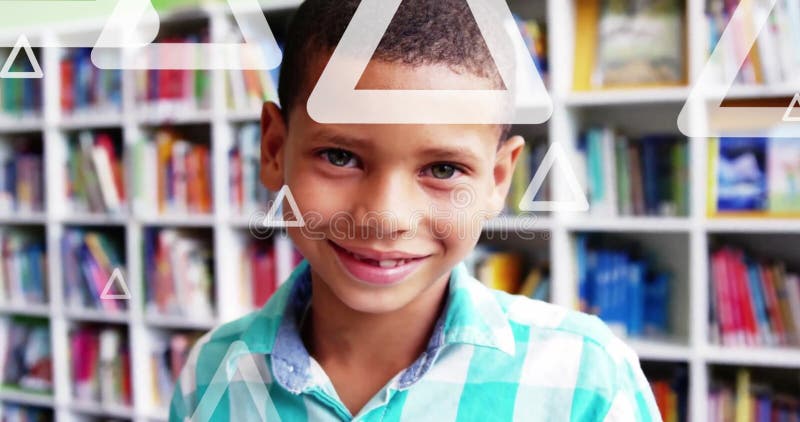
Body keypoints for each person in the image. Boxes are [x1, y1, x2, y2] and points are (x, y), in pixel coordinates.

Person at [170, 0, 661, 420]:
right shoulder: (212, 371)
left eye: (443, 170)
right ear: (274, 149)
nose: (386, 217)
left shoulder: (586, 380)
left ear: (497, 180)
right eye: (340, 157)